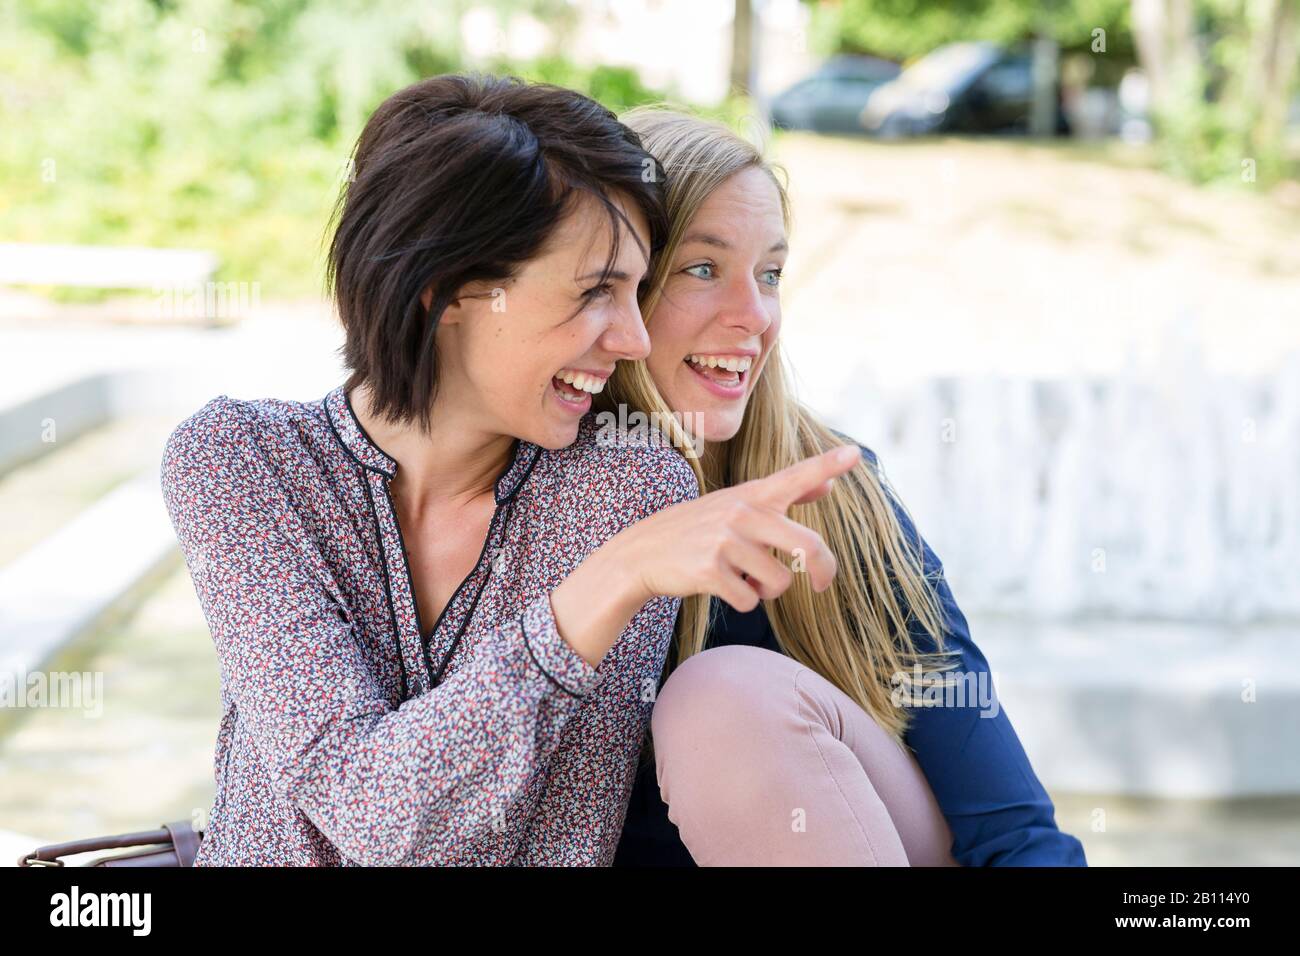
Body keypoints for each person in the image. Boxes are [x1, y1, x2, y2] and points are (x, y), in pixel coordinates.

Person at [161, 75, 858, 866]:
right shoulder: (241, 462)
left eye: (636, 292)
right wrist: (605, 585)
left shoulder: (628, 492)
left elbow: (561, 845)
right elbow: (364, 807)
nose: (634, 340)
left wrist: (623, 565)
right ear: (446, 289)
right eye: (596, 291)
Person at [605, 108, 1088, 866]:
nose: (754, 316)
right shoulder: (528, 496)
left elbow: (1008, 823)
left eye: (770, 274)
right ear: (615, 290)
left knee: (725, 699)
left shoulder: (836, 490)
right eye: (702, 268)